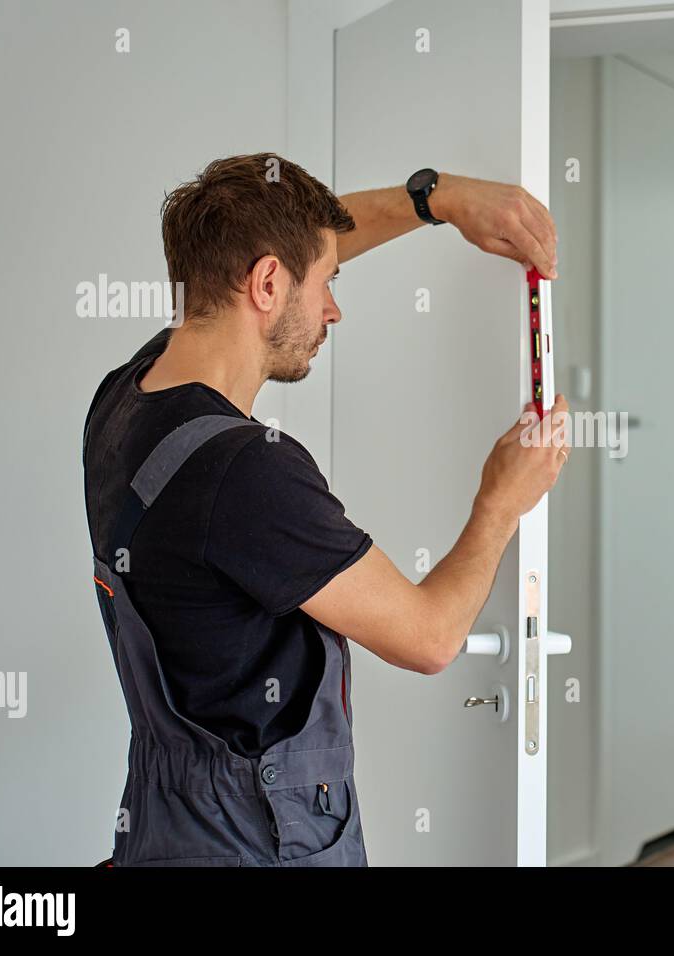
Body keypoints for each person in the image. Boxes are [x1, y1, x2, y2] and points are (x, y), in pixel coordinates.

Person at [82, 153, 570, 867]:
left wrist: (436, 201)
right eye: (328, 283)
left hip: (163, 828)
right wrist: (502, 500)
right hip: (259, 842)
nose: (335, 308)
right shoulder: (248, 472)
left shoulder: (126, 399)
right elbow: (429, 638)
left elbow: (288, 238)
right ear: (268, 283)